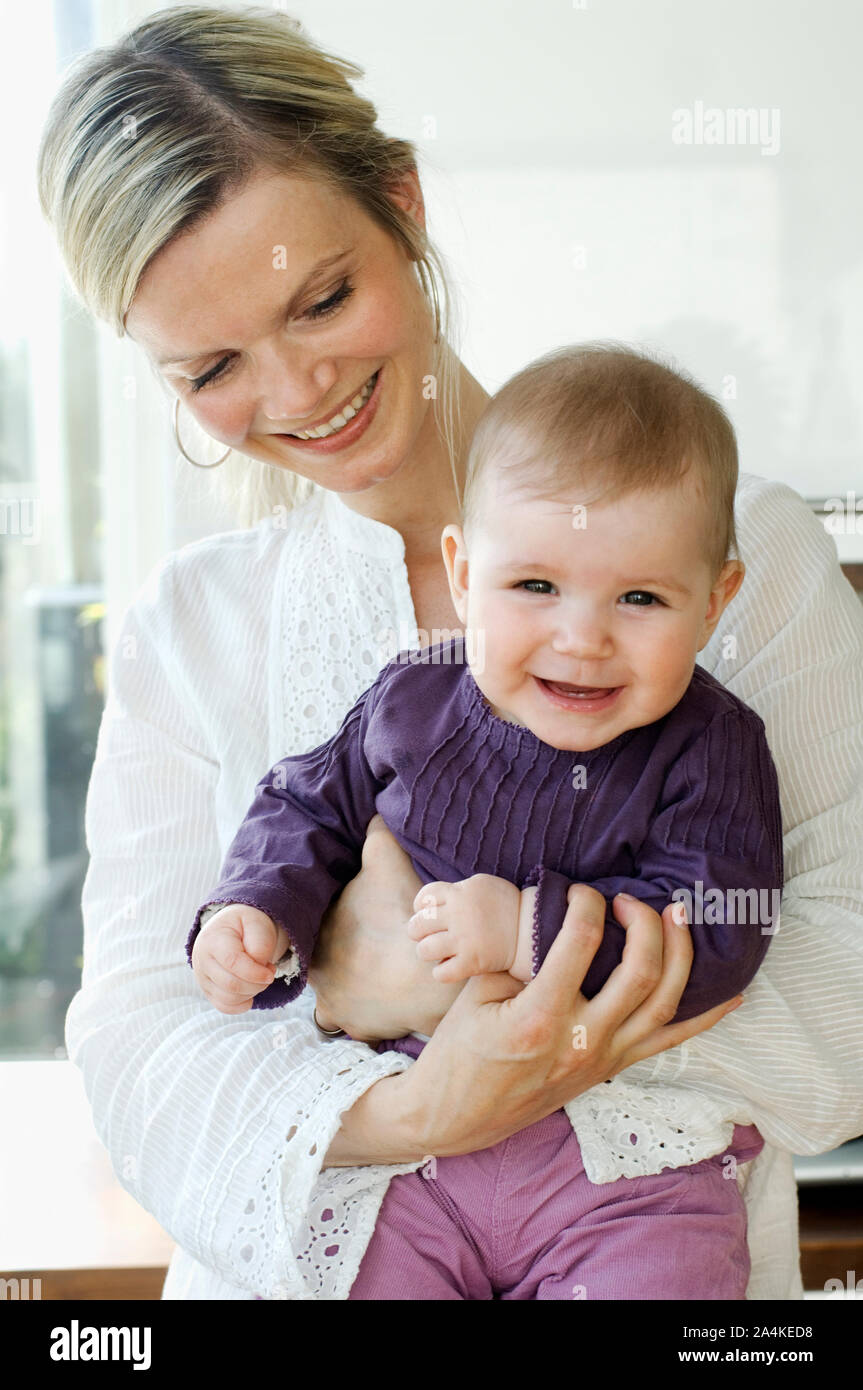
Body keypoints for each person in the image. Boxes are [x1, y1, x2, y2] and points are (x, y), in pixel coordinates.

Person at [36, 4, 863, 1301]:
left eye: (321, 298)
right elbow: (139, 1055)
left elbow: (844, 977)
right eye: (212, 368)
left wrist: (438, 979)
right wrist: (423, 1104)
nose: (300, 389)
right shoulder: (190, 629)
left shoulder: (738, 558)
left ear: (403, 206)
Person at [187, 344, 783, 1299]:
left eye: (638, 597)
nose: (580, 637)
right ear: (464, 572)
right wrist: (255, 911)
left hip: (618, 1162)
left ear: (713, 602)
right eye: (535, 587)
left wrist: (526, 928)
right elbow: (305, 802)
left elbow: (721, 927)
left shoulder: (709, 742)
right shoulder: (411, 699)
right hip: (406, 1157)